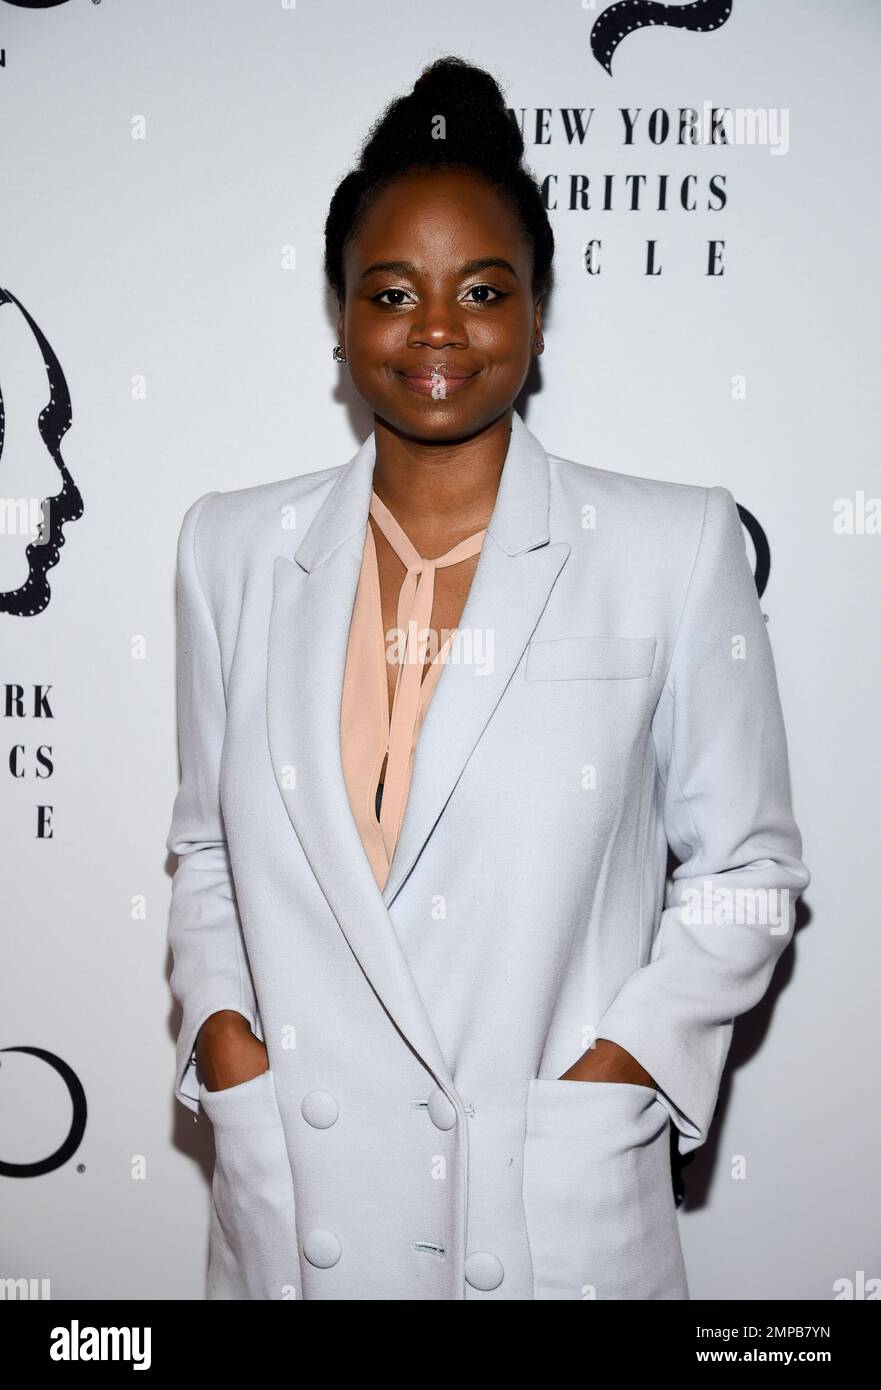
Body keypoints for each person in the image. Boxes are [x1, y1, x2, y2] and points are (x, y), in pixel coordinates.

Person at [166, 55, 810, 1300]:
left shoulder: (668, 546)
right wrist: (226, 1043)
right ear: (341, 316)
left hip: (543, 1226)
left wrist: (624, 1069)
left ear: (535, 311)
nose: (438, 331)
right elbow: (205, 849)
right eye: (392, 291)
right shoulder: (230, 548)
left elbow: (748, 873)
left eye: (483, 290)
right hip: (301, 1209)